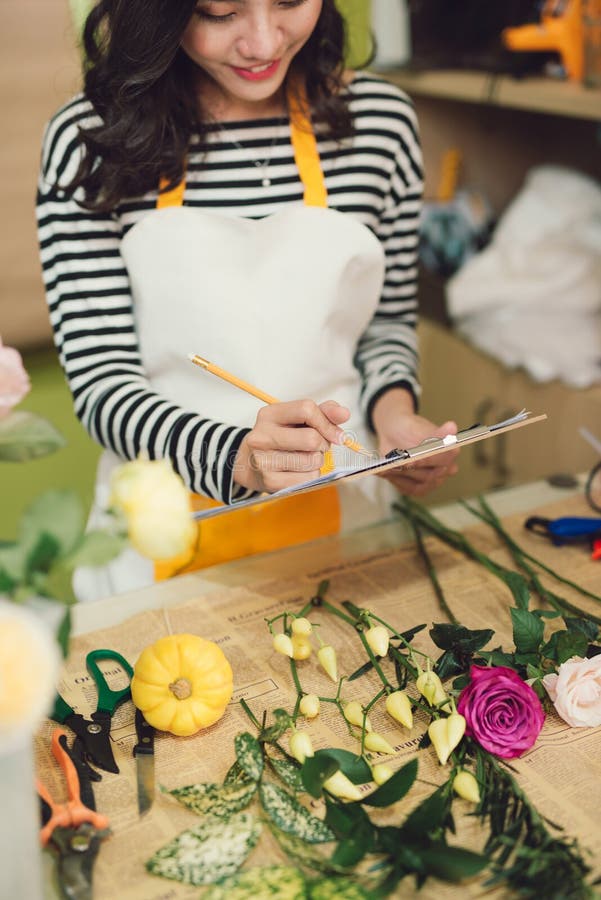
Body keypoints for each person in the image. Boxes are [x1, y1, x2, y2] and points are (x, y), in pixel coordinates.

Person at [36, 0, 459, 600]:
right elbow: (102, 381)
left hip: (348, 516)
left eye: (289, 1)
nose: (262, 43)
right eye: (219, 12)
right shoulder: (89, 142)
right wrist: (235, 457)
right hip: (162, 532)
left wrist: (394, 417)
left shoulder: (380, 123)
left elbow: (384, 321)